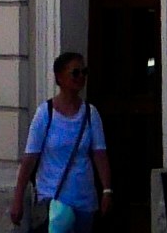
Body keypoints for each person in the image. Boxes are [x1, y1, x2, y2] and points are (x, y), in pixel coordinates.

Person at [12, 54, 110, 233]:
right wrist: (18, 198)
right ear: (59, 77)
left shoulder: (90, 114)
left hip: (84, 201)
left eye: (84, 72)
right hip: (53, 201)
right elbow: (29, 159)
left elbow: (100, 154)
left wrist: (106, 190)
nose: (81, 77)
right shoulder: (45, 114)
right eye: (75, 72)